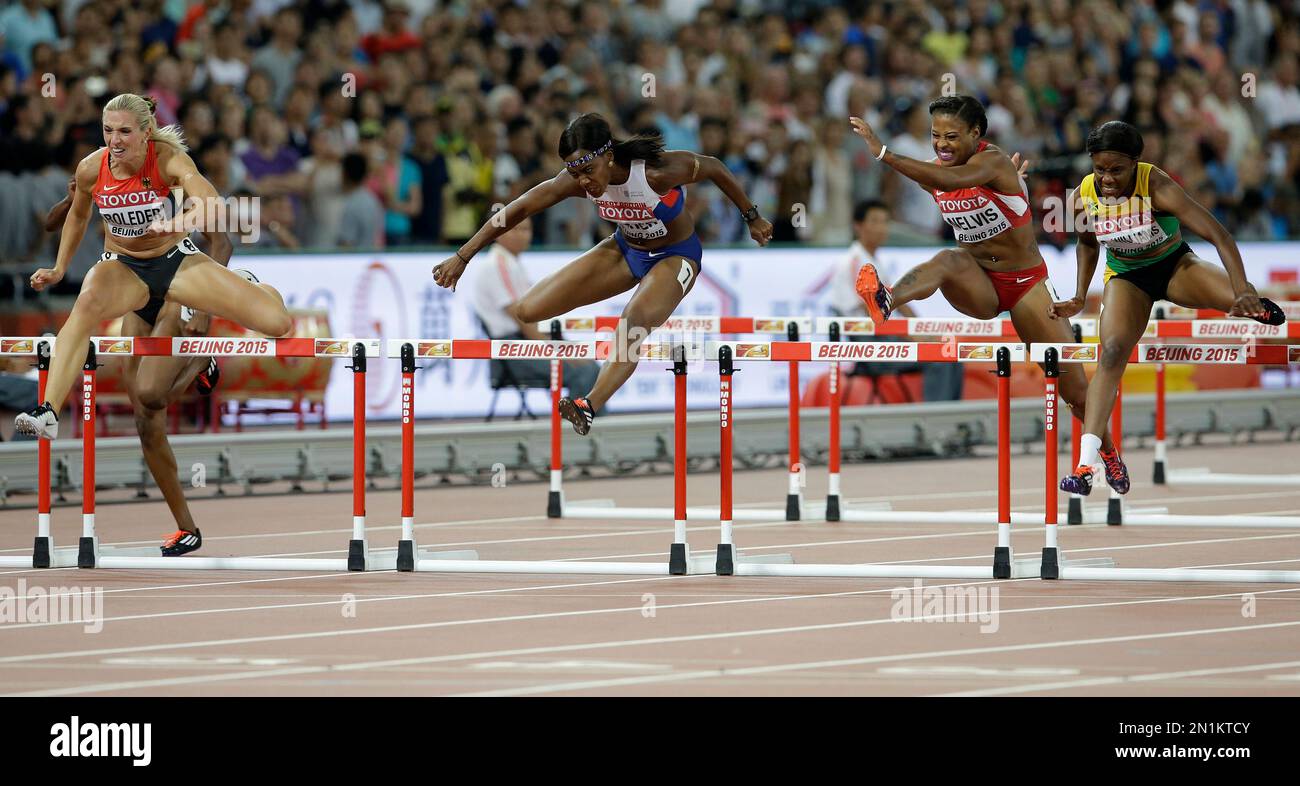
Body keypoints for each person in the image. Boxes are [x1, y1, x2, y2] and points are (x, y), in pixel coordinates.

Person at [849, 95, 1127, 490]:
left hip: (1026, 285)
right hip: (980, 285)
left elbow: (951, 180)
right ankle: (886, 299)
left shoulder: (992, 161)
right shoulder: (941, 171)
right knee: (948, 258)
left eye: (951, 136)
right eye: (934, 136)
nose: (941, 145)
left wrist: (883, 153)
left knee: (1076, 393)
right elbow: (937, 179)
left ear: (975, 134)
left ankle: (1110, 456)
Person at [432, 113, 773, 434]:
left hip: (675, 255)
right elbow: (518, 208)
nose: (584, 182)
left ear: (609, 156)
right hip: (625, 250)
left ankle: (588, 405)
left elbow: (714, 168)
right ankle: (589, 400)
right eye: (575, 173)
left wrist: (752, 217)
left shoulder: (656, 173)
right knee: (527, 310)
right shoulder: (577, 178)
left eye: (589, 171)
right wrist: (463, 255)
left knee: (633, 322)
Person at [15, 93, 293, 442]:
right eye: (108, 131)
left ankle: (246, 283)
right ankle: (48, 411)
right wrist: (58, 268)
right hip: (124, 268)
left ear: (146, 133)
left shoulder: (168, 159)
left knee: (278, 323)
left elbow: (209, 202)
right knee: (85, 305)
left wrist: (179, 222)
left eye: (125, 132)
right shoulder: (91, 168)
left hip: (176, 263)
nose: (115, 141)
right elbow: (78, 215)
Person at [1052, 121, 1285, 495]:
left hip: (1175, 266)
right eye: (1100, 169)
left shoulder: (1156, 185)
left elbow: (1218, 234)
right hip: (1128, 278)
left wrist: (1241, 288)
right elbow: (1087, 244)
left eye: (1116, 170)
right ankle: (1086, 466)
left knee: (1246, 304)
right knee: (1110, 354)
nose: (1107, 179)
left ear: (1135, 163)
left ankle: (1251, 303)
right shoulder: (1082, 195)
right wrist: (1080, 294)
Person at [41, 172, 249, 556]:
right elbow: (52, 224)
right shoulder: (101, 171)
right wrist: (74, 199)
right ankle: (187, 529)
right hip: (133, 293)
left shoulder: (171, 173)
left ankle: (201, 356)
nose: (119, 142)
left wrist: (202, 307)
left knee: (152, 393)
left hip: (174, 290)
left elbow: (222, 240)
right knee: (144, 416)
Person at [830, 199, 963, 402]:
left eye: (885, 222)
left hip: (885, 336)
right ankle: (936, 426)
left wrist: (923, 332)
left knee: (951, 354)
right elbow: (872, 310)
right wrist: (912, 338)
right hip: (871, 345)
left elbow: (899, 303)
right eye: (874, 221)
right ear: (858, 226)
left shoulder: (873, 261)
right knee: (940, 359)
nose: (881, 228)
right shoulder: (854, 262)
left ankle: (950, 422)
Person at [466, 212, 599, 403]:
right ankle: (573, 431)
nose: (522, 234)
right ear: (498, 233)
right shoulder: (497, 265)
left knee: (590, 366)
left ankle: (585, 428)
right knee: (585, 370)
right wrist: (560, 350)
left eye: (526, 229)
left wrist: (566, 346)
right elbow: (523, 322)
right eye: (516, 229)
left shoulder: (512, 264)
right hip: (511, 351)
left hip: (526, 343)